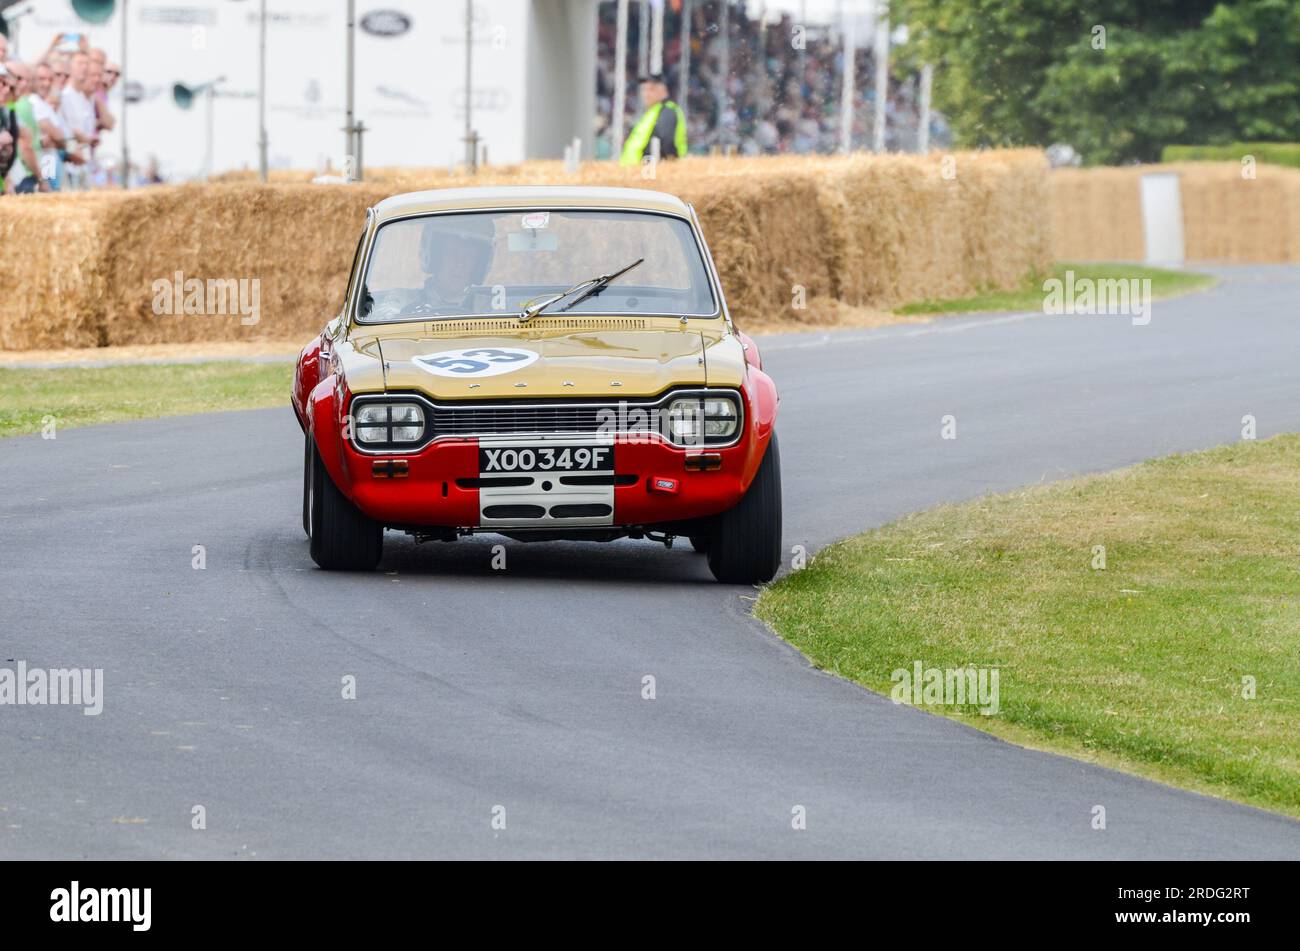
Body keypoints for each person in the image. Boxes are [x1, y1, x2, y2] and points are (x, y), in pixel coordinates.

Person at [619, 73, 687, 166]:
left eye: (651, 90)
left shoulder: (667, 111)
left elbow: (666, 142)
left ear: (663, 91)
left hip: (649, 172)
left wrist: (654, 168)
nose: (646, 94)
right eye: (644, 90)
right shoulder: (653, 112)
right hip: (637, 171)